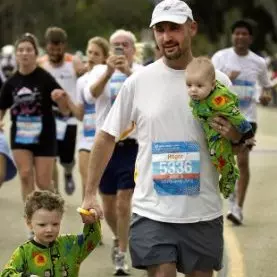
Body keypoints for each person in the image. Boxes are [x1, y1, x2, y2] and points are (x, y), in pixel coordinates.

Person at [79, 1, 249, 276]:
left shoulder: (219, 82)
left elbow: (239, 141)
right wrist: (89, 195)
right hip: (152, 212)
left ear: (191, 28)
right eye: (160, 29)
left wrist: (233, 135)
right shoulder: (139, 81)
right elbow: (107, 135)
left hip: (202, 211)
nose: (167, 36)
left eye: (174, 28)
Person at [83, 29, 143, 275]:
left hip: (131, 145)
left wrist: (128, 72)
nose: (120, 49)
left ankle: (121, 251)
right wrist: (109, 71)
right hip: (106, 146)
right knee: (107, 205)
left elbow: (146, 97)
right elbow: (90, 96)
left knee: (123, 200)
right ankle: (120, 238)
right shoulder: (99, 71)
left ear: (133, 49)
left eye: (125, 45)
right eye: (116, 45)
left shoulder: (140, 73)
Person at [211, 19, 272, 225]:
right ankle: (231, 195)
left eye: (244, 34)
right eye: (236, 33)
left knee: (243, 161)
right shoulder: (221, 58)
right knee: (224, 162)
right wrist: (228, 77)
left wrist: (265, 96)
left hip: (247, 119)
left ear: (250, 38)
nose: (240, 37)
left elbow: (266, 87)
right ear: (232, 36)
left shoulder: (259, 62)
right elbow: (205, 83)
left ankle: (238, 208)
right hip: (223, 117)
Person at [0, 33, 69, 202]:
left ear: (36, 54)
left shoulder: (45, 78)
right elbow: (2, 108)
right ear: (16, 55)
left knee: (44, 182)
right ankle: (31, 221)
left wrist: (60, 100)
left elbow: (65, 110)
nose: (24, 53)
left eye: (28, 50)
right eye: (21, 50)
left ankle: (54, 206)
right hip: (20, 137)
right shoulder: (11, 83)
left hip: (44, 136)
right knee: (24, 176)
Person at [186, 56, 254, 199]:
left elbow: (236, 115)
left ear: (212, 85)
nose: (193, 90)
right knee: (214, 157)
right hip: (209, 130)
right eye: (189, 85)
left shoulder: (219, 100)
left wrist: (247, 133)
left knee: (220, 157)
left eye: (199, 86)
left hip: (219, 135)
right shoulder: (198, 98)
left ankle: (229, 175)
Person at [1, 190, 101, 276]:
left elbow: (92, 239)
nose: (49, 229)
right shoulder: (24, 252)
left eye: (55, 224)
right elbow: (6, 274)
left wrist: (91, 222)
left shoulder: (71, 244)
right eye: (42, 225)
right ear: (29, 223)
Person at [38, 27, 85, 195]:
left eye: (58, 49)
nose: (54, 53)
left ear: (64, 46)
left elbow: (84, 73)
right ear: (46, 46)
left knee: (67, 159)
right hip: (49, 117)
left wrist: (82, 70)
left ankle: (68, 172)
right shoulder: (41, 63)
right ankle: (54, 195)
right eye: (51, 49)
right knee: (50, 158)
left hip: (69, 119)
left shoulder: (73, 61)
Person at [66, 36, 109, 198]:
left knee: (104, 190)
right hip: (86, 138)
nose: (91, 56)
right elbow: (80, 114)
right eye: (89, 52)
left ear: (105, 58)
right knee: (87, 186)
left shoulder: (111, 78)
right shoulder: (82, 81)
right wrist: (66, 99)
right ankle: (89, 222)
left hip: (105, 138)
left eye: (96, 54)